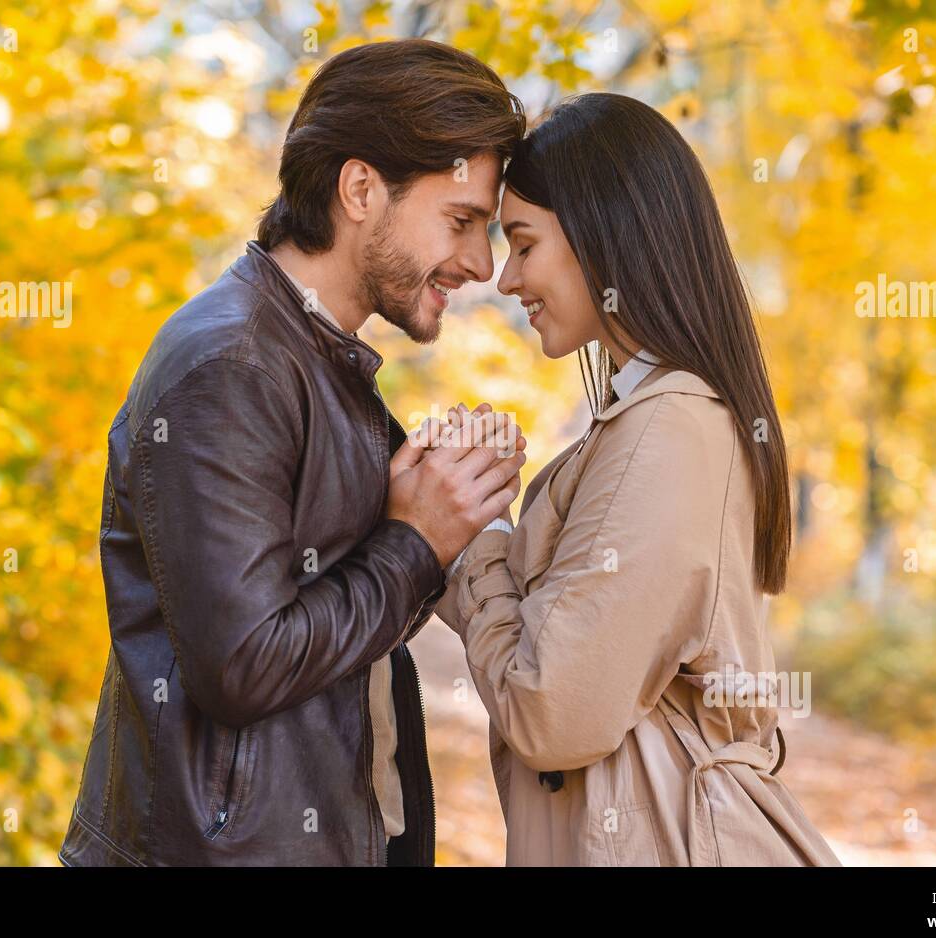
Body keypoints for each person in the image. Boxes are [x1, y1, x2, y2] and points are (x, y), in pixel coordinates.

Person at [58, 38, 526, 867]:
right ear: (359, 188)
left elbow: (349, 625)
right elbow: (243, 665)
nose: (481, 264)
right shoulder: (232, 366)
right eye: (460, 222)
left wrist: (433, 510)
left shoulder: (322, 359)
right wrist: (415, 541)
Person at [433, 93, 842, 866]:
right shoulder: (645, 420)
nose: (508, 279)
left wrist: (482, 534)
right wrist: (444, 521)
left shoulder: (672, 427)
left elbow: (553, 711)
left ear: (602, 235)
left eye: (524, 244)